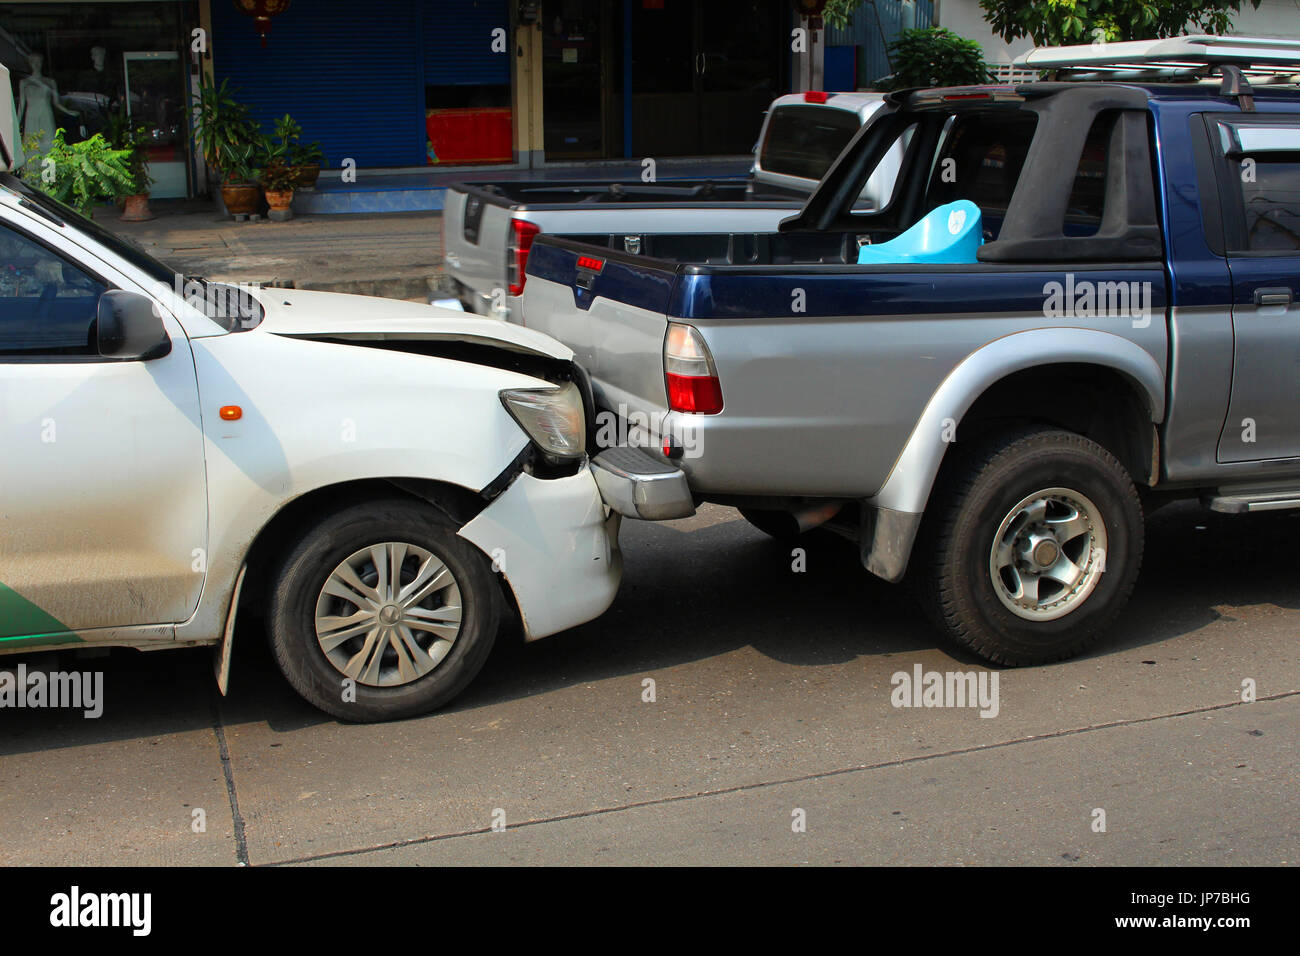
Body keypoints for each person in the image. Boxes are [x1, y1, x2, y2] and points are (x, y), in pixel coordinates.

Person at [17, 53, 76, 156]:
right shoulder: (24, 83)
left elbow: (56, 103)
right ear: (30, 64)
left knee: (49, 142)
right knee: (32, 145)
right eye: (33, 62)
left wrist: (68, 111)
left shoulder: (50, 82)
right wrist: (16, 123)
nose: (36, 64)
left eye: (38, 61)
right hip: (31, 116)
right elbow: (22, 104)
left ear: (42, 63)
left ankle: (50, 165)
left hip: (46, 115)